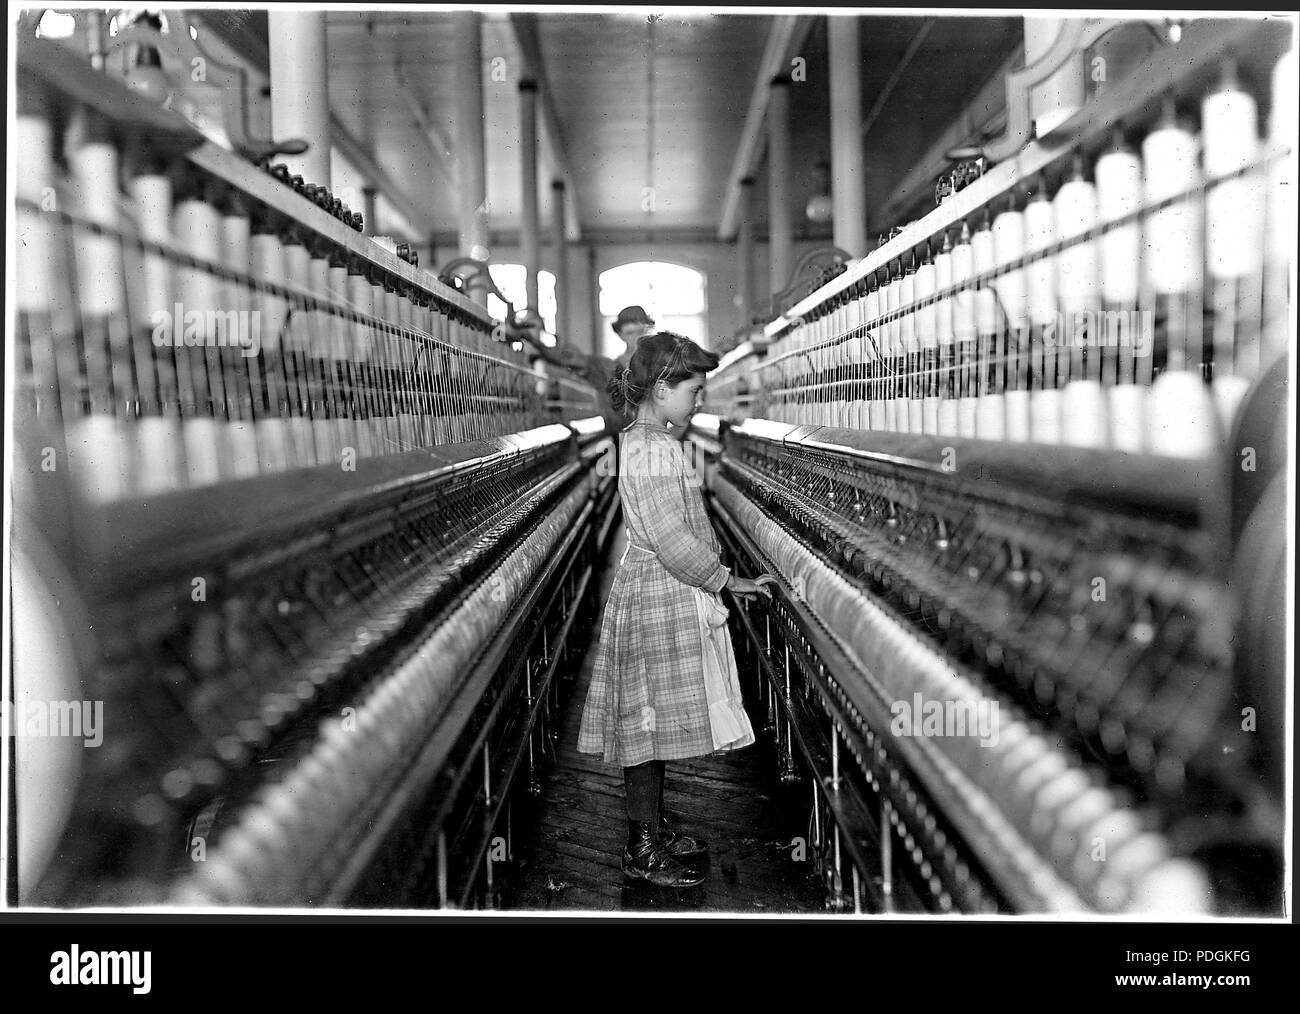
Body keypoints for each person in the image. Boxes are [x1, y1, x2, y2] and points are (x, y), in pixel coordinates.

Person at [577, 332, 778, 888]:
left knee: (653, 722)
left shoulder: (646, 440)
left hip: (656, 589)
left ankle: (654, 829)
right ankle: (640, 849)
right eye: (694, 389)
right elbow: (671, 538)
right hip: (658, 592)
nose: (701, 401)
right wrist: (726, 580)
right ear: (662, 388)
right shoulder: (654, 449)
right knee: (644, 727)